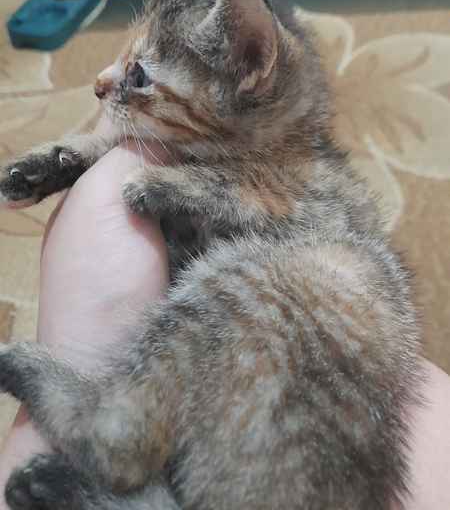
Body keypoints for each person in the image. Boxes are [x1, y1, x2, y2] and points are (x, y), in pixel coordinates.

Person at [0, 118, 449, 509]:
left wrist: (198, 189)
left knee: (274, 286)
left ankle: (116, 429)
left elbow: (325, 215)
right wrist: (90, 159)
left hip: (288, 362)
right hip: (245, 416)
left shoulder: (304, 166)